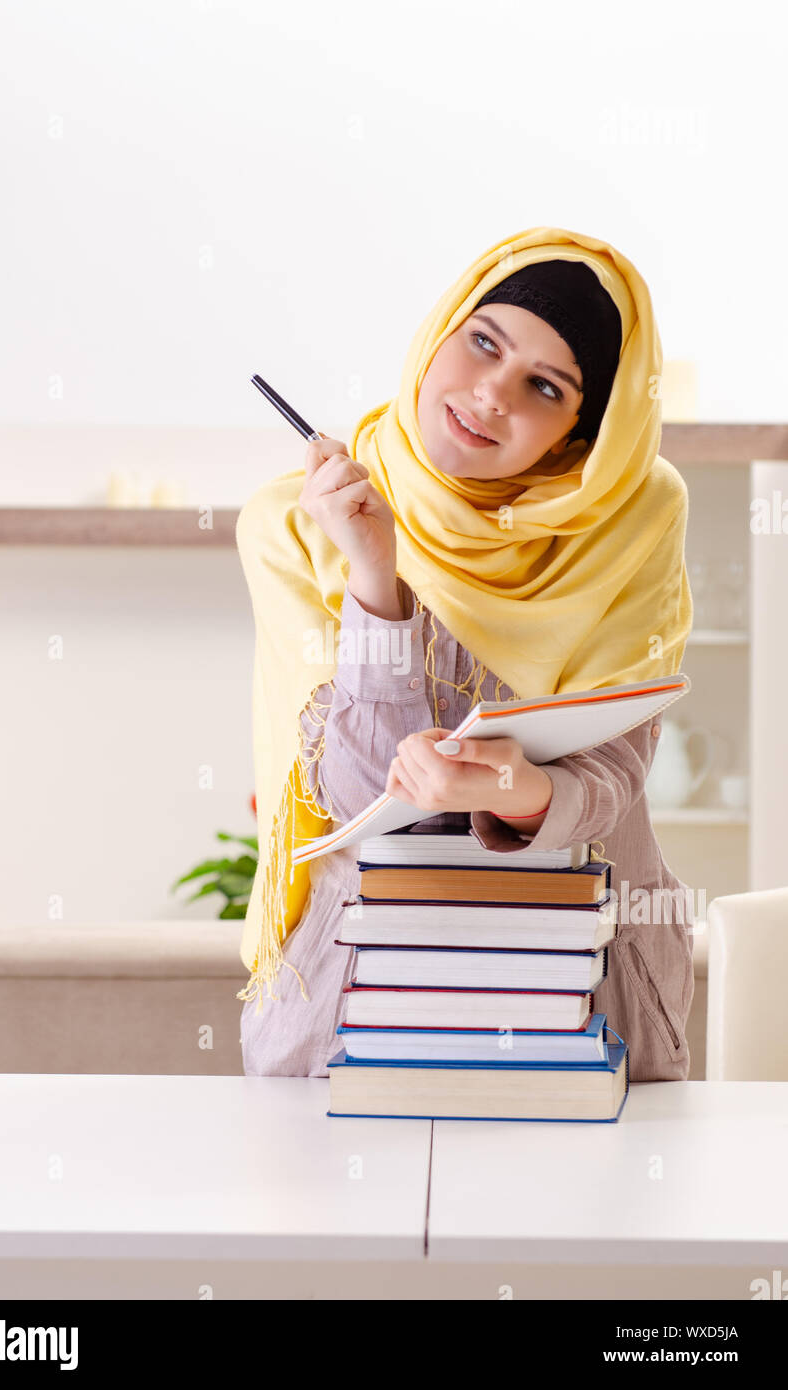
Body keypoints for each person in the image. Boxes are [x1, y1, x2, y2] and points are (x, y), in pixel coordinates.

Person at [236, 226, 695, 1082]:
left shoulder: (628, 513)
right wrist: (376, 579)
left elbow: (617, 762)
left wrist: (519, 793)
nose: (489, 395)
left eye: (544, 386)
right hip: (356, 990)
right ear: (440, 332)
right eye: (482, 341)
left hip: (586, 988)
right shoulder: (298, 523)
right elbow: (349, 799)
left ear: (573, 440)